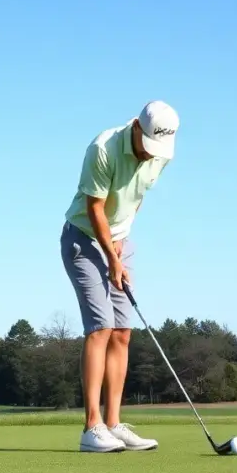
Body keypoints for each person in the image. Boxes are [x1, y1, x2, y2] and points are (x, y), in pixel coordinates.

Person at [61, 100, 179, 453]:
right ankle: (91, 428)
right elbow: (94, 208)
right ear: (137, 130)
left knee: (123, 333)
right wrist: (111, 256)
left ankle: (113, 424)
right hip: (83, 238)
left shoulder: (161, 153)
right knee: (101, 328)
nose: (151, 155)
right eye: (148, 146)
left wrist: (121, 247)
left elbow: (135, 200)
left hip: (118, 242)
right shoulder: (103, 149)